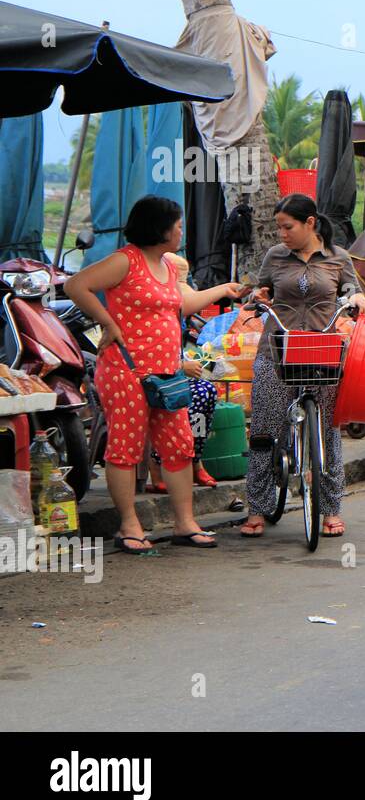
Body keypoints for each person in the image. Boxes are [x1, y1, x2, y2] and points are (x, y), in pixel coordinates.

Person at [64, 196, 243, 553]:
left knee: (179, 446)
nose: (181, 229)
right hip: (125, 371)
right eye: (176, 224)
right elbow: (75, 286)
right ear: (159, 228)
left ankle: (185, 523)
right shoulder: (123, 262)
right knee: (126, 448)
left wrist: (225, 289)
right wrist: (108, 324)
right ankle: (129, 526)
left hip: (166, 374)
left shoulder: (167, 266)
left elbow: (182, 305)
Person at [241, 194, 365, 539]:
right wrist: (259, 296)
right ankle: (256, 508)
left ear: (310, 223)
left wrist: (357, 298)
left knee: (328, 430)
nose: (281, 233)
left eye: (288, 227)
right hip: (277, 348)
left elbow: (351, 289)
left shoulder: (338, 257)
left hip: (322, 349)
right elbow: (261, 287)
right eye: (279, 227)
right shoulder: (275, 256)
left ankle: (330, 510)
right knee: (264, 431)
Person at [144, 253, 219, 493]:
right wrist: (180, 367)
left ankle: (195, 459)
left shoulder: (180, 315)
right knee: (182, 399)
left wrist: (201, 361)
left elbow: (182, 348)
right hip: (152, 377)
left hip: (173, 372)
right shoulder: (149, 313)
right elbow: (148, 354)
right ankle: (156, 465)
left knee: (206, 391)